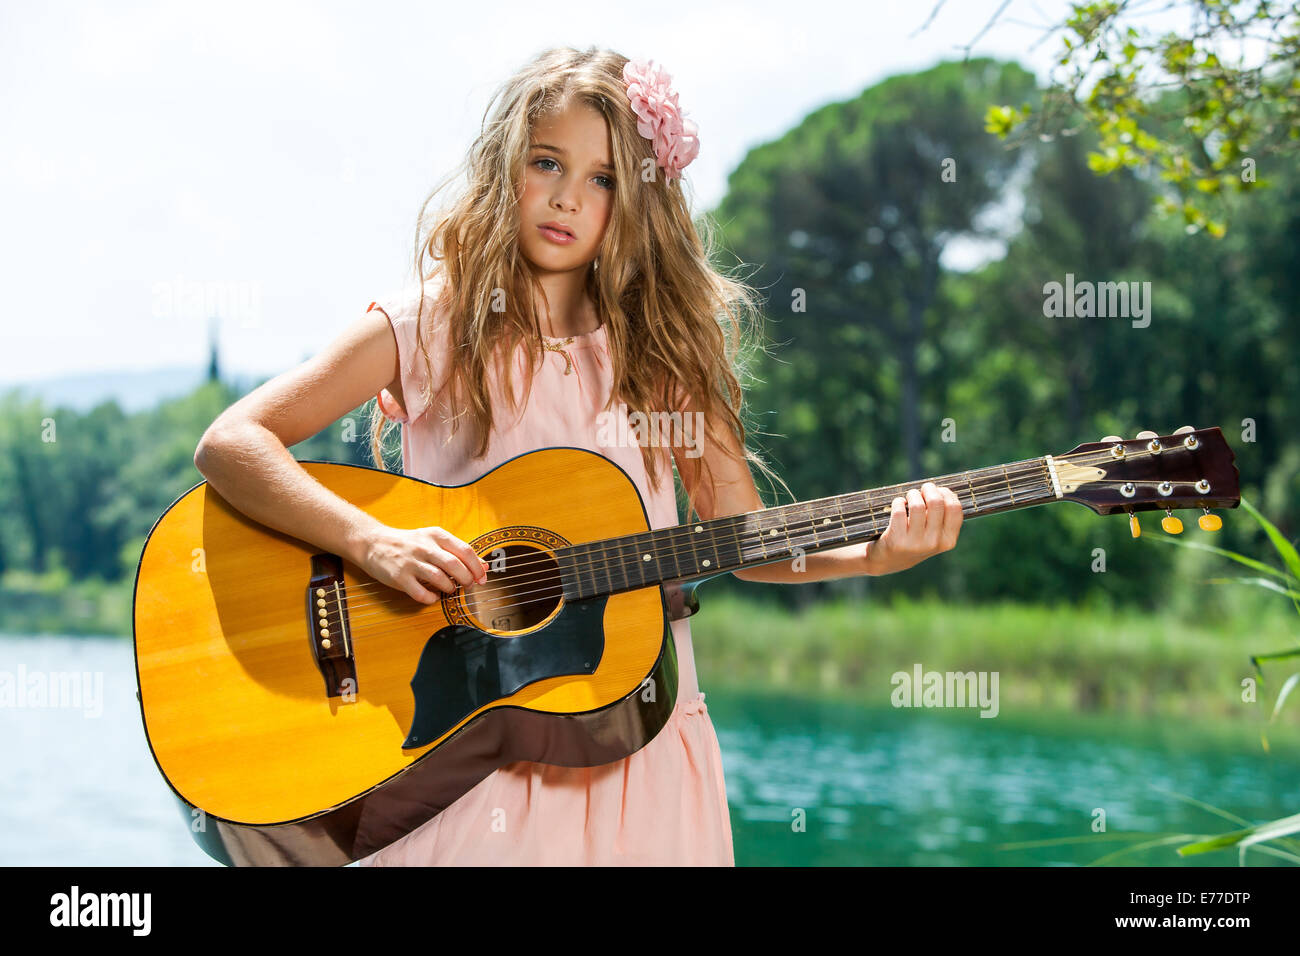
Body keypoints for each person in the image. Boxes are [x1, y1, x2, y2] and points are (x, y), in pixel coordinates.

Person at [192, 46, 965, 866]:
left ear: (636, 202)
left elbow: (746, 542)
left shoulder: (664, 359)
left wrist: (873, 556)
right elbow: (232, 443)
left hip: (639, 744)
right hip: (469, 750)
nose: (567, 196)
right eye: (547, 163)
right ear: (505, 169)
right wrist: (371, 541)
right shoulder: (428, 329)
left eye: (602, 179)